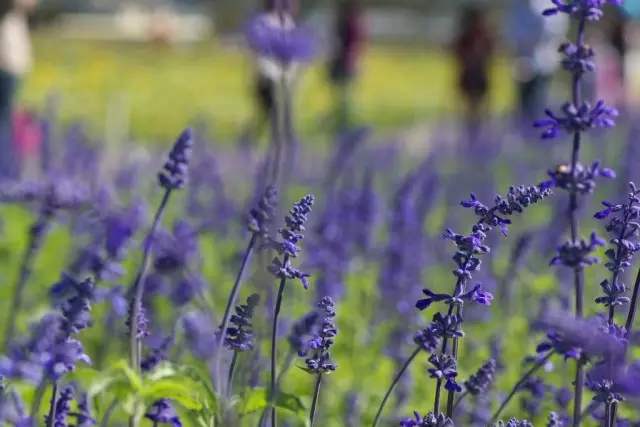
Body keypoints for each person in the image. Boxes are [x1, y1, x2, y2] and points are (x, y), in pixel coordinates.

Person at [505, 0, 568, 122]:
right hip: (523, 58)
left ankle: (537, 128)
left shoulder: (545, 4)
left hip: (543, 59)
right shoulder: (519, 5)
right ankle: (526, 130)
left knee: (539, 96)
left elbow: (553, 29)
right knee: (524, 99)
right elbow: (512, 30)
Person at [0, 0, 37, 180]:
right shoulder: (7, 19)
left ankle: (6, 159)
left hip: (13, 72)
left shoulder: (16, 19)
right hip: (7, 72)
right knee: (4, 118)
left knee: (9, 117)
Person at [453, 4, 494, 144]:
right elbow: (458, 54)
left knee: (482, 109)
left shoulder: (485, 36)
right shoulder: (465, 38)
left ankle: (480, 136)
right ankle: (471, 136)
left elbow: (491, 54)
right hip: (468, 77)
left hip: (481, 76)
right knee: (470, 109)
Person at [328, 0, 365, 133]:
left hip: (346, 61)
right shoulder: (354, 20)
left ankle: (344, 123)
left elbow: (352, 43)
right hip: (346, 61)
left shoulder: (350, 21)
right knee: (343, 95)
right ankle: (342, 122)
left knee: (345, 96)